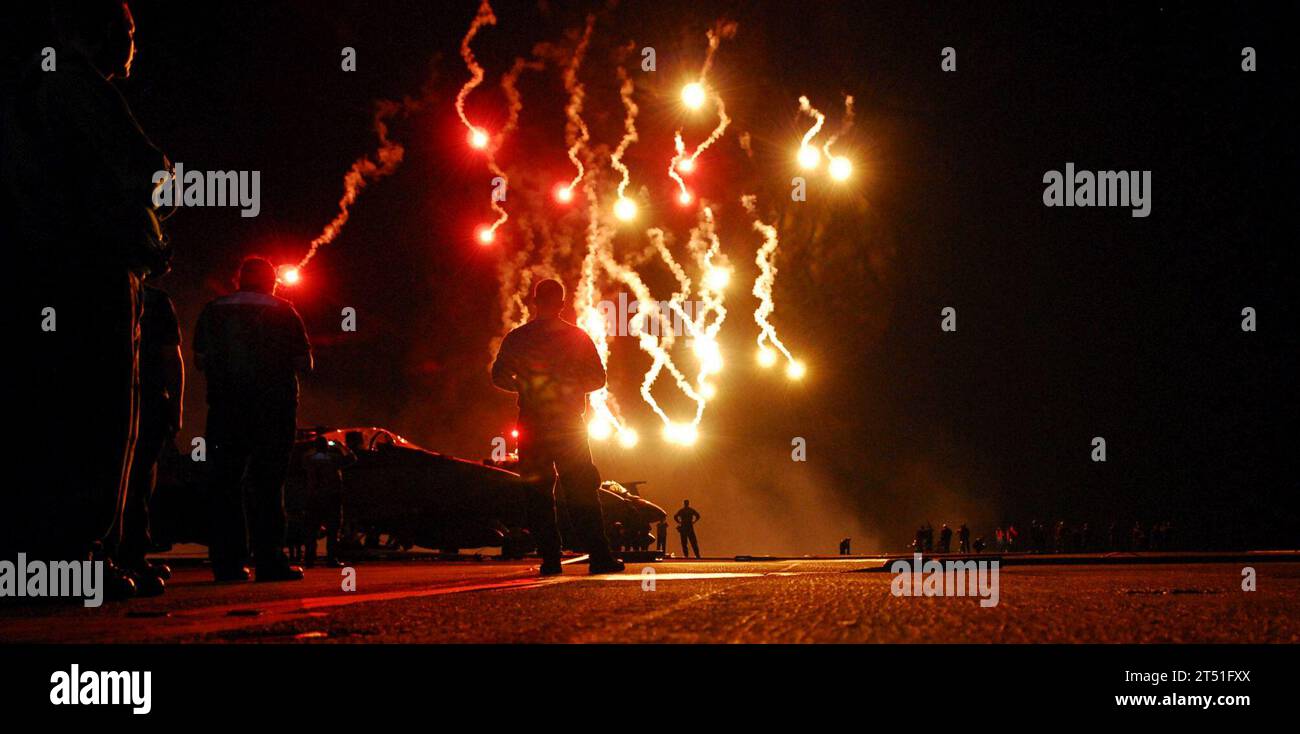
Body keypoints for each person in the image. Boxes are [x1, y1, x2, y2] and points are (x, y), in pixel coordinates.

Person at [4, 1, 171, 599]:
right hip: (89, 270)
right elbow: (146, 176)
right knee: (99, 413)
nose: (132, 51)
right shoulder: (79, 88)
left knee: (39, 411)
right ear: (108, 34)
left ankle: (33, 563)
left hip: (33, 269)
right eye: (129, 35)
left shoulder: (24, 86)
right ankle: (77, 561)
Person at [491, 278, 623, 576]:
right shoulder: (577, 337)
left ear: (535, 301)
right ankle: (599, 556)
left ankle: (550, 560)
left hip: (532, 423)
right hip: (568, 424)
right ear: (562, 304)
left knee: (537, 493)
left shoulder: (518, 338)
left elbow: (498, 376)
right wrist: (568, 385)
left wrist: (526, 385)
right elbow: (598, 379)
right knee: (582, 491)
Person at [194, 256, 312, 582]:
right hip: (273, 411)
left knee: (225, 485)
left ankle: (227, 564)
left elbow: (200, 361)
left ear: (239, 279)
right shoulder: (285, 311)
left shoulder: (212, 310)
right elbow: (304, 362)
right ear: (272, 280)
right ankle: (270, 561)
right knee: (269, 486)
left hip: (225, 410)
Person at [108, 282, 184, 595]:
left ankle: (107, 554)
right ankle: (132, 556)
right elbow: (171, 357)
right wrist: (176, 406)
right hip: (149, 398)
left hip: (109, 399)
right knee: (140, 480)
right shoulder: (155, 299)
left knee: (114, 478)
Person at [301, 435, 356, 567]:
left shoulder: (309, 459)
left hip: (313, 498)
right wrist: (341, 446)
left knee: (312, 530)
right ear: (326, 446)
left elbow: (304, 458)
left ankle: (309, 560)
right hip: (331, 497)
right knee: (333, 529)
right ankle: (331, 559)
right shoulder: (334, 459)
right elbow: (352, 458)